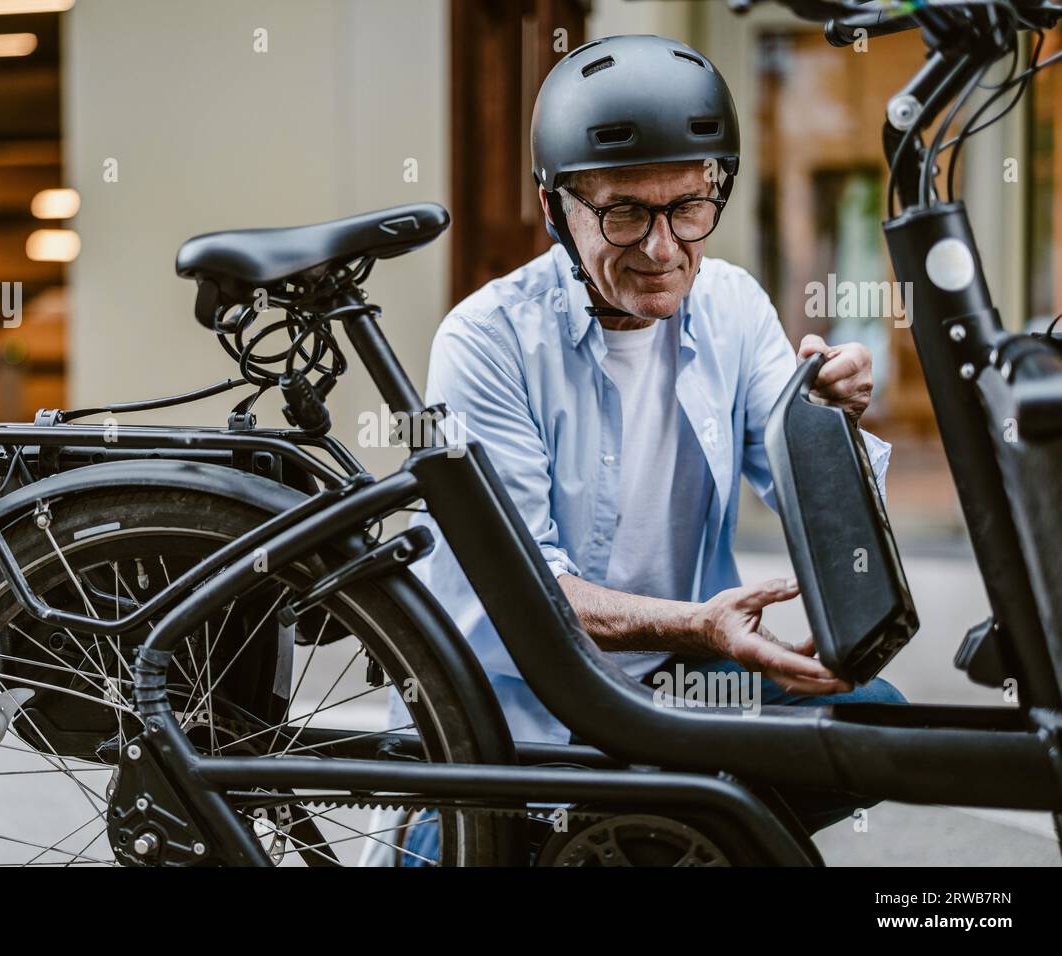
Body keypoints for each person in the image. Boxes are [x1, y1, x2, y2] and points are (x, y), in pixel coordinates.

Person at [375, 34, 905, 865]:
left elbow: (815, 494)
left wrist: (830, 412)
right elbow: (520, 597)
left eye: (689, 207)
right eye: (625, 211)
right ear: (558, 208)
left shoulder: (730, 304)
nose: (663, 248)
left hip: (676, 693)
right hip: (519, 717)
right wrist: (701, 626)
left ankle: (679, 831)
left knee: (881, 720)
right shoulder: (487, 340)